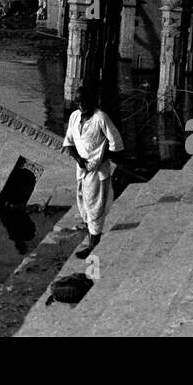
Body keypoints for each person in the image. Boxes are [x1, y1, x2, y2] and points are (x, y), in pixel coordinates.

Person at [63, 85, 124, 259]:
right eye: (78, 102)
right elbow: (68, 143)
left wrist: (99, 159)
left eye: (83, 101)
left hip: (97, 172)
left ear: (91, 101)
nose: (81, 105)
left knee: (95, 206)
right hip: (82, 171)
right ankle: (92, 237)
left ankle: (92, 245)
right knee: (84, 204)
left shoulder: (100, 118)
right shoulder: (75, 117)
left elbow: (116, 144)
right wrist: (79, 160)